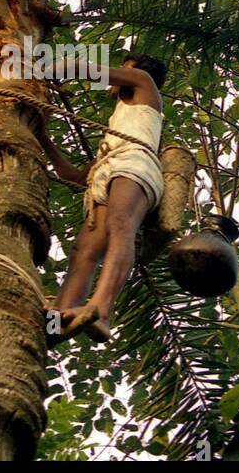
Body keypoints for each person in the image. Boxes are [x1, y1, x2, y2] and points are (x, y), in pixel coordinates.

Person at [36, 53, 168, 343]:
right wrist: (42, 137)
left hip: (135, 164)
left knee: (121, 224)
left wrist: (39, 70)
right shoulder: (119, 120)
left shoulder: (145, 84)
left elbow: (85, 68)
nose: (119, 72)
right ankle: (58, 319)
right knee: (83, 250)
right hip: (108, 172)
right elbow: (71, 174)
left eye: (124, 67)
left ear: (134, 70)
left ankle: (102, 310)